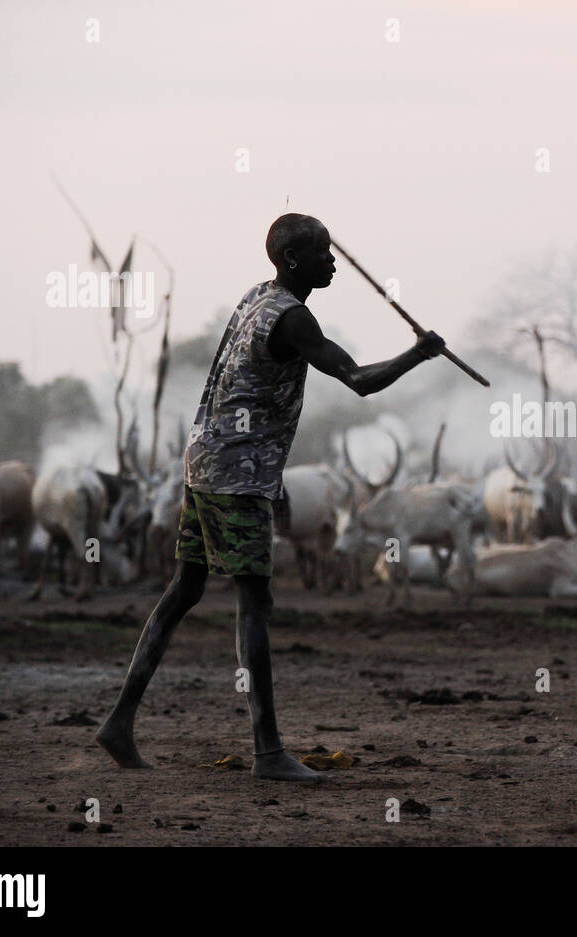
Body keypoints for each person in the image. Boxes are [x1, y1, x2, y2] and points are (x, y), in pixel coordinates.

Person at [96, 213, 445, 782]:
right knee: (254, 604)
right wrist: (418, 353)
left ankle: (120, 722)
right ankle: (268, 752)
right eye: (321, 254)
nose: (332, 262)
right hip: (238, 473)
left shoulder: (258, 297)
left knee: (185, 589)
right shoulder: (292, 318)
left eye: (333, 252)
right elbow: (357, 380)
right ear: (291, 261)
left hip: (206, 460)